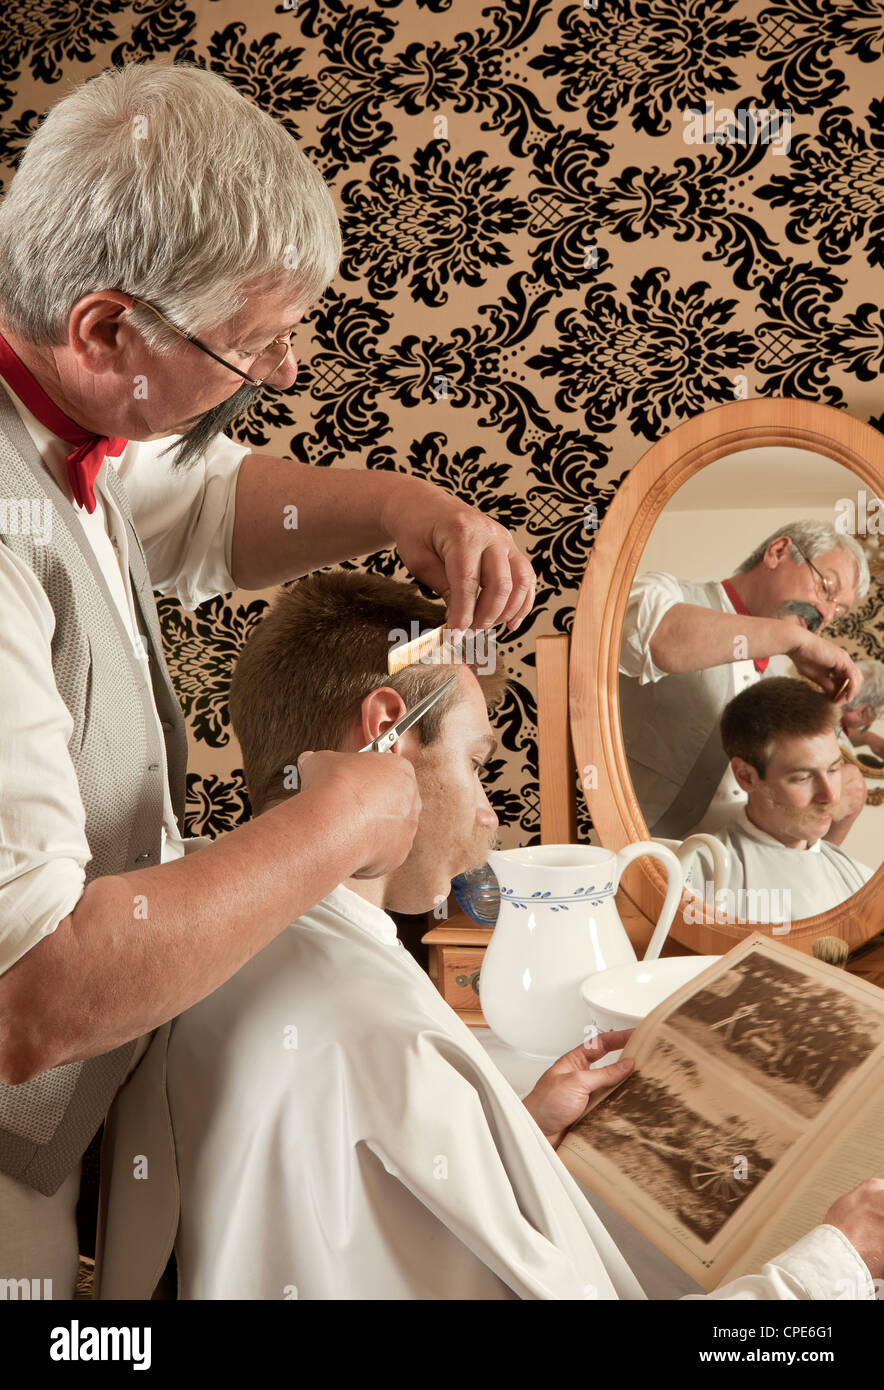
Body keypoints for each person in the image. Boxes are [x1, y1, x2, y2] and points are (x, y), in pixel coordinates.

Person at [0, 62, 535, 1297]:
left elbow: (201, 502)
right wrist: (333, 821)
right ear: (104, 328)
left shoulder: (56, 410)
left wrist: (413, 505)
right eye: (252, 345)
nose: (285, 372)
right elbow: (32, 993)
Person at [94, 572, 882, 1301]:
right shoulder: (383, 1034)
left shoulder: (192, 938)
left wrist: (513, 1126)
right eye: (476, 763)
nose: (489, 813)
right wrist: (834, 1268)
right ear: (388, 736)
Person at [618, 520, 868, 840]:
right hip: (620, 854)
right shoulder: (663, 594)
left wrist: (840, 810)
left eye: (839, 612)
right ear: (778, 552)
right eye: (827, 588)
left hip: (717, 876)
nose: (827, 614)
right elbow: (654, 638)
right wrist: (795, 639)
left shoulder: (774, 681)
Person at [681, 678, 873, 924]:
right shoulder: (701, 877)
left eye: (834, 769)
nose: (831, 796)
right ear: (746, 776)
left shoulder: (861, 880)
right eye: (802, 777)